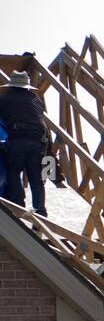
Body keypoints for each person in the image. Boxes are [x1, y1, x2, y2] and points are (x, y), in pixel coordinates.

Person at [0, 71, 48, 216]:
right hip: (39, 141)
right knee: (36, 178)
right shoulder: (36, 99)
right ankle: (41, 212)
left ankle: (19, 207)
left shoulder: (4, 99)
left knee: (13, 173)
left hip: (18, 139)